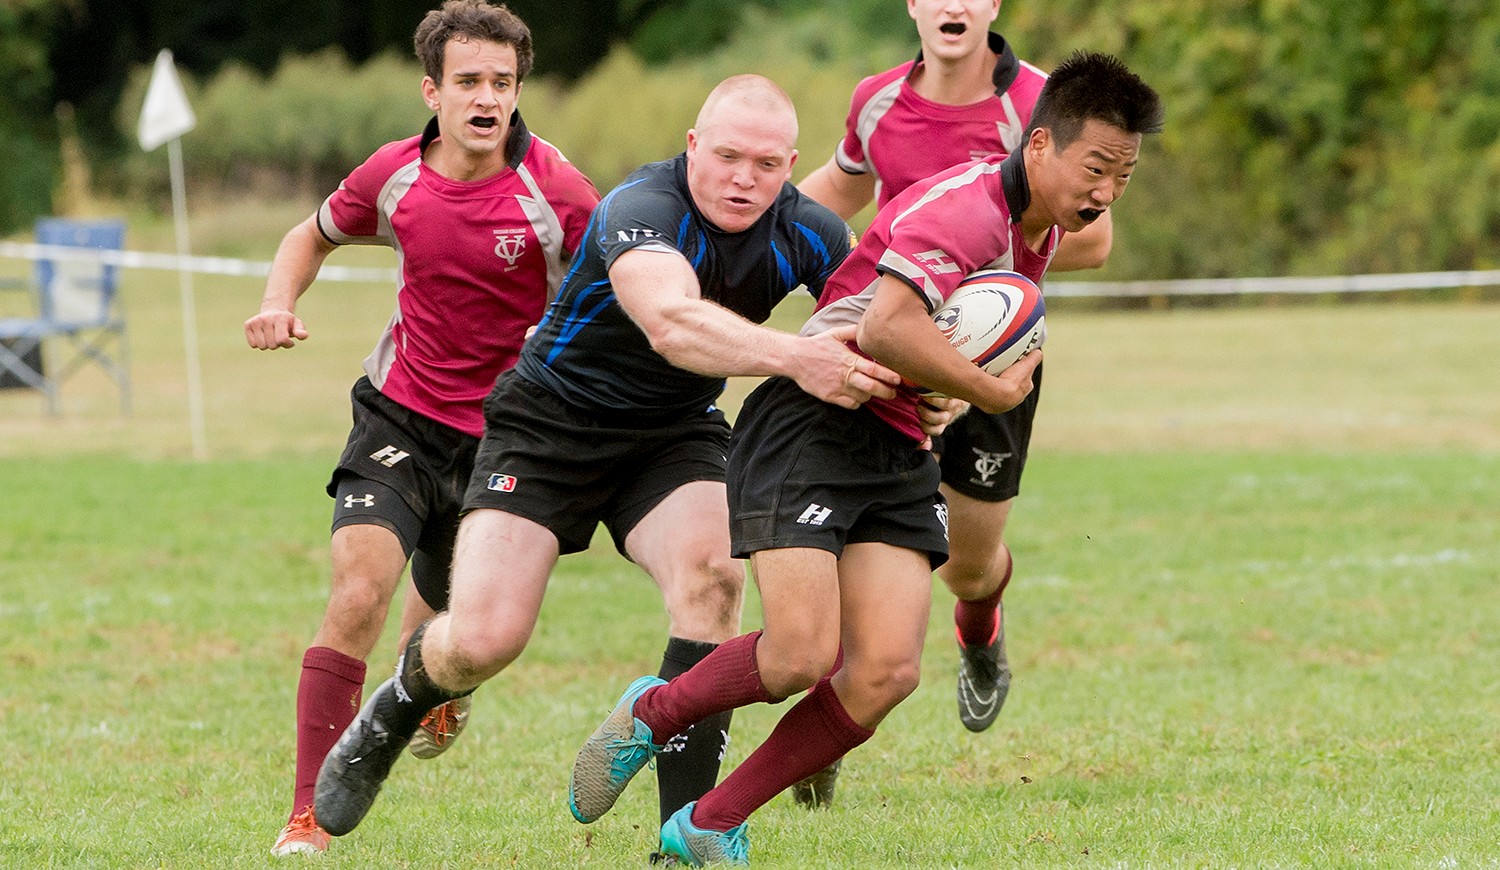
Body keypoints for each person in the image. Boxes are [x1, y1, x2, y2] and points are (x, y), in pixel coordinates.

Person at [570, 51, 1163, 865]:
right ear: (1040, 145)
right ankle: (653, 714)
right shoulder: (969, 210)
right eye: (1095, 169)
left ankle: (707, 824)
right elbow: (885, 328)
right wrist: (987, 393)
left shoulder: (1040, 230)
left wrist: (949, 393)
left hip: (896, 439)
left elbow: (945, 338)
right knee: (800, 654)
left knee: (885, 671)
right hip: (813, 423)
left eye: (1124, 177)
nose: (1107, 192)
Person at [310, 73, 905, 843]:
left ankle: (684, 837)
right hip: (547, 427)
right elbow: (670, 322)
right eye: (727, 157)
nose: (743, 179)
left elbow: (881, 323)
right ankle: (398, 704)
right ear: (693, 146)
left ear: (791, 166)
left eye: (765, 165)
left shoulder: (812, 231)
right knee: (485, 639)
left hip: (674, 433)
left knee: (714, 581)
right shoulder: (642, 206)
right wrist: (798, 356)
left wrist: (937, 380)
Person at [245, 0, 599, 856]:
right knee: (358, 590)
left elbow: (621, 293)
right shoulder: (393, 174)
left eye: (503, 82)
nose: (488, 98)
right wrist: (276, 302)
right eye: (469, 81)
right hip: (399, 413)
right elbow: (309, 235)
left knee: (442, 633)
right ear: (432, 92)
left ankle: (439, 672)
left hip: (509, 437)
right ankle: (308, 813)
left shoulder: (557, 191)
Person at [794, 1, 1113, 790]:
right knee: (849, 534)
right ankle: (823, 730)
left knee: (965, 567)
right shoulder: (877, 100)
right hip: (889, 341)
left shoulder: (1039, 101)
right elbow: (828, 196)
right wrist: (737, 230)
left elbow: (1096, 239)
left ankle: (980, 628)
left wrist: (967, 268)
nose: (954, 5)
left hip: (990, 354)